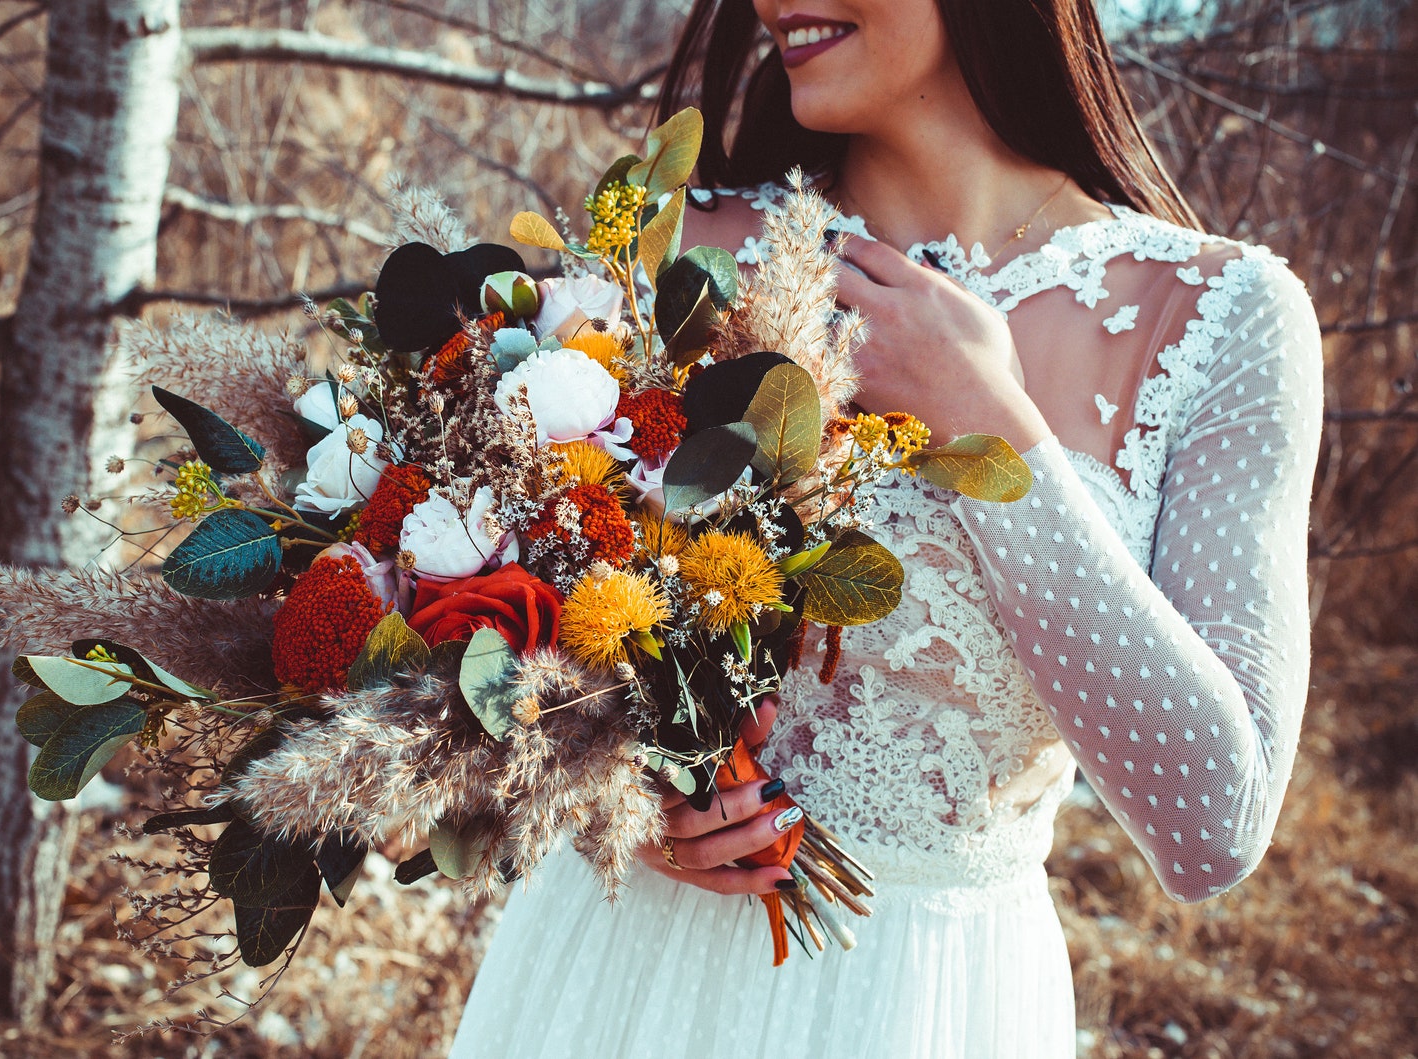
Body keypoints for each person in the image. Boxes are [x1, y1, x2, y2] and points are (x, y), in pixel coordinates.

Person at [449, 1, 1322, 1055]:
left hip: (929, 1000)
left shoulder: (1219, 315)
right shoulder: (670, 252)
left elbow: (1213, 825)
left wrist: (987, 418)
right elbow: (483, 627)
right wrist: (611, 796)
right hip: (623, 974)